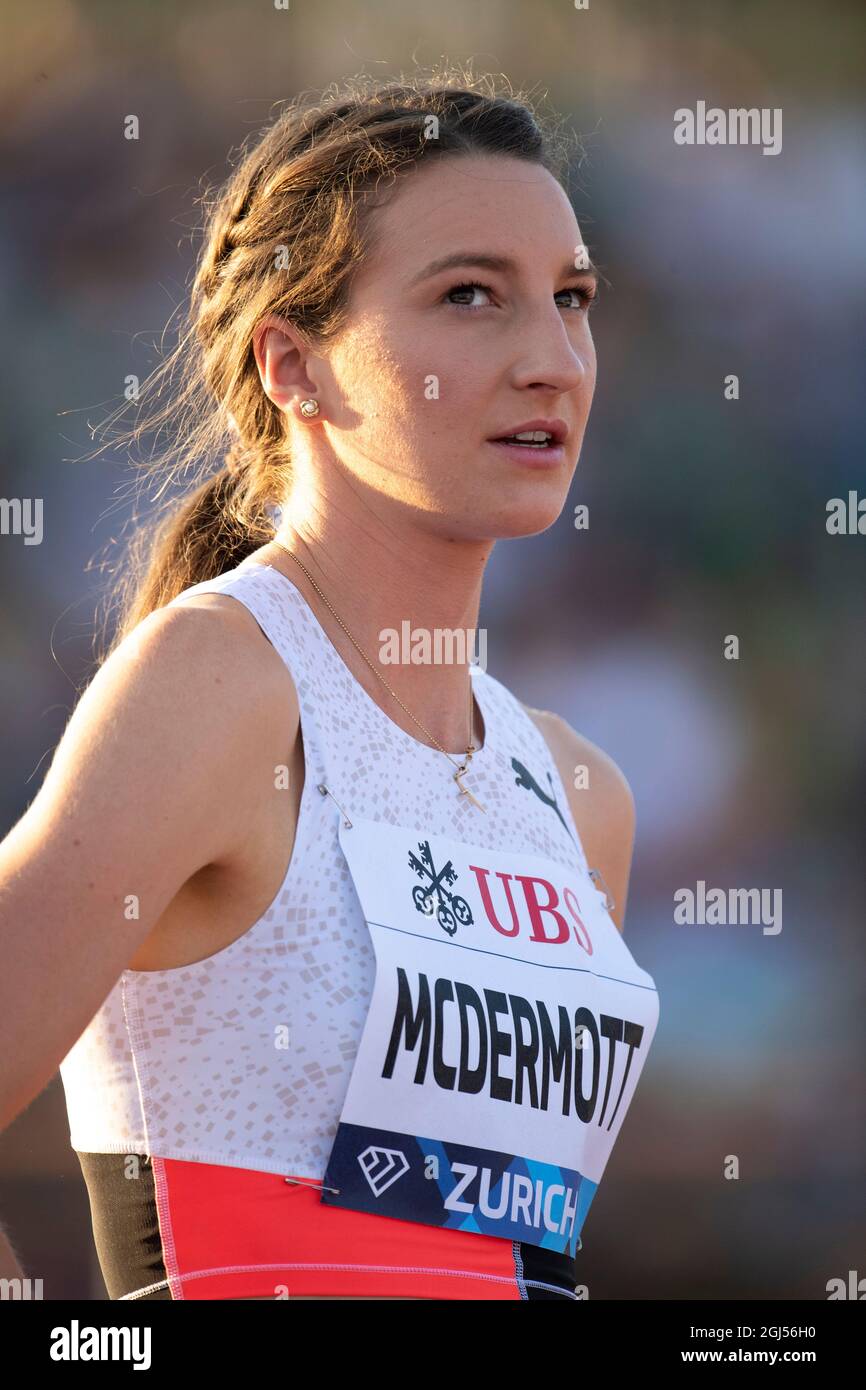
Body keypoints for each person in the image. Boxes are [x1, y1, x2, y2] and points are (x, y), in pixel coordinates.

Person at [0, 65, 659, 1301]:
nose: (551, 359)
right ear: (292, 365)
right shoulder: (217, 689)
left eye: (570, 298)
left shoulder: (579, 798)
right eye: (470, 295)